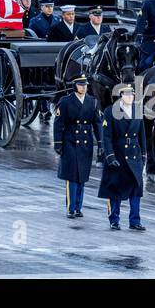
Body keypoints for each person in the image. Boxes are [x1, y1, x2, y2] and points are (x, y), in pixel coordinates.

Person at [99, 83, 148, 230]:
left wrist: (144, 154)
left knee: (136, 189)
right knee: (115, 189)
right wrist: (110, 156)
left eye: (132, 94)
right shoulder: (110, 111)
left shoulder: (137, 110)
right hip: (118, 154)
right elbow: (106, 137)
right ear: (121, 96)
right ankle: (114, 220)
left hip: (134, 155)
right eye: (127, 94)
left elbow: (142, 135)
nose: (130, 97)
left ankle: (135, 221)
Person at [54, 75, 99, 218]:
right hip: (70, 141)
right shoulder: (66, 102)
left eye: (85, 85)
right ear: (75, 86)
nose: (83, 87)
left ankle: (78, 207)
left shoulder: (92, 102)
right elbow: (58, 123)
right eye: (80, 85)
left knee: (82, 178)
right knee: (72, 177)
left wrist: (101, 143)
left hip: (85, 143)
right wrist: (58, 143)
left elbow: (97, 124)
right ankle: (71, 208)